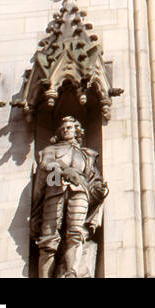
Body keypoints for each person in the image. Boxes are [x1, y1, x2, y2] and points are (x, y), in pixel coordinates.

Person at [31, 114, 108, 278]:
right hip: (55, 190)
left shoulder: (87, 155)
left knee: (75, 233)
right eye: (63, 128)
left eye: (70, 127)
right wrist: (65, 170)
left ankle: (70, 271)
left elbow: (92, 177)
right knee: (49, 238)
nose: (66, 130)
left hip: (79, 192)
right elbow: (45, 165)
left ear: (77, 130)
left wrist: (99, 189)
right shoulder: (51, 150)